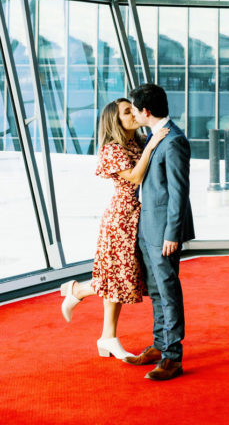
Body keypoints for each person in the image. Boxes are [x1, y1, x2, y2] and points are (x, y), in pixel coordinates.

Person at [59, 98, 169, 360]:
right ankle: (85, 303)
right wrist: (152, 144)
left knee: (124, 277)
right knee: (120, 277)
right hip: (121, 218)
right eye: (127, 112)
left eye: (133, 109)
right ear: (115, 120)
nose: (134, 114)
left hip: (138, 215)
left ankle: (102, 329)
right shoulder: (112, 149)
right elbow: (135, 177)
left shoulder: (137, 141)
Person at [123, 83, 194, 382]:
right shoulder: (154, 136)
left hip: (164, 231)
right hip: (148, 226)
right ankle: (159, 344)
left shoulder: (174, 140)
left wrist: (172, 234)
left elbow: (179, 193)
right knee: (155, 290)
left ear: (146, 111)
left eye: (134, 110)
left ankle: (173, 357)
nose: (133, 115)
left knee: (168, 291)